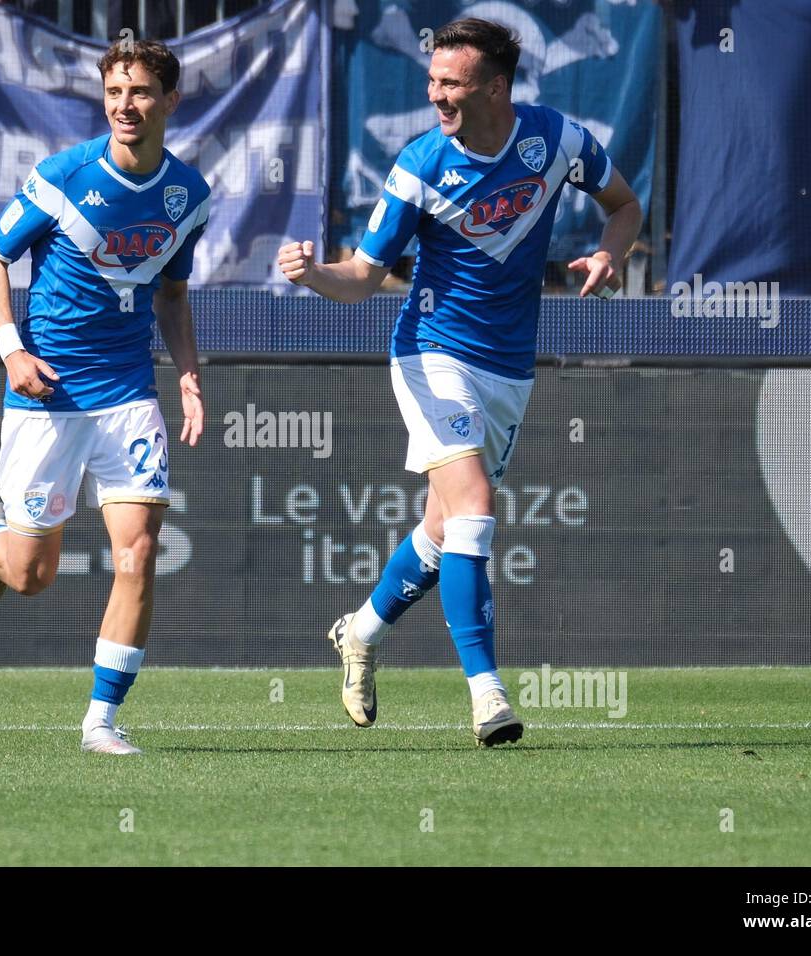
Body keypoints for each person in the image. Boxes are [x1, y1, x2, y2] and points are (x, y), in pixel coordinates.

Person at [277, 17, 642, 746]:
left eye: (451, 83)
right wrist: (315, 274)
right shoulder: (419, 165)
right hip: (430, 354)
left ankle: (361, 630)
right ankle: (487, 694)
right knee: (474, 506)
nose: (436, 94)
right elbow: (361, 278)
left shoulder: (556, 140)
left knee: (444, 531)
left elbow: (626, 207)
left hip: (508, 367)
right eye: (433, 81)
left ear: (497, 87)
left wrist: (611, 254)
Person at [0, 39, 209, 756]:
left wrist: (190, 373)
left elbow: (171, 294)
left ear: (169, 100)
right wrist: (12, 349)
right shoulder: (64, 176)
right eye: (113, 93)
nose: (124, 106)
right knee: (31, 576)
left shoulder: (188, 197)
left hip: (127, 391)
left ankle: (100, 720)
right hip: (47, 391)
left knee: (137, 551)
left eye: (139, 92)